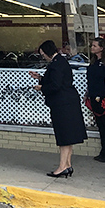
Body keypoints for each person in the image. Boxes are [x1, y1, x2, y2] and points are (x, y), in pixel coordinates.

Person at [30, 40, 87, 177]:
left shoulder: (56, 64)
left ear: (48, 52)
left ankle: (62, 167)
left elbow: (55, 86)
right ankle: (67, 164)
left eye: (43, 54)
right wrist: (41, 78)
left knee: (64, 136)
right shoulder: (60, 62)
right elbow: (57, 80)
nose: (43, 56)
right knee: (68, 136)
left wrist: (42, 87)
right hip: (68, 102)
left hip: (62, 104)